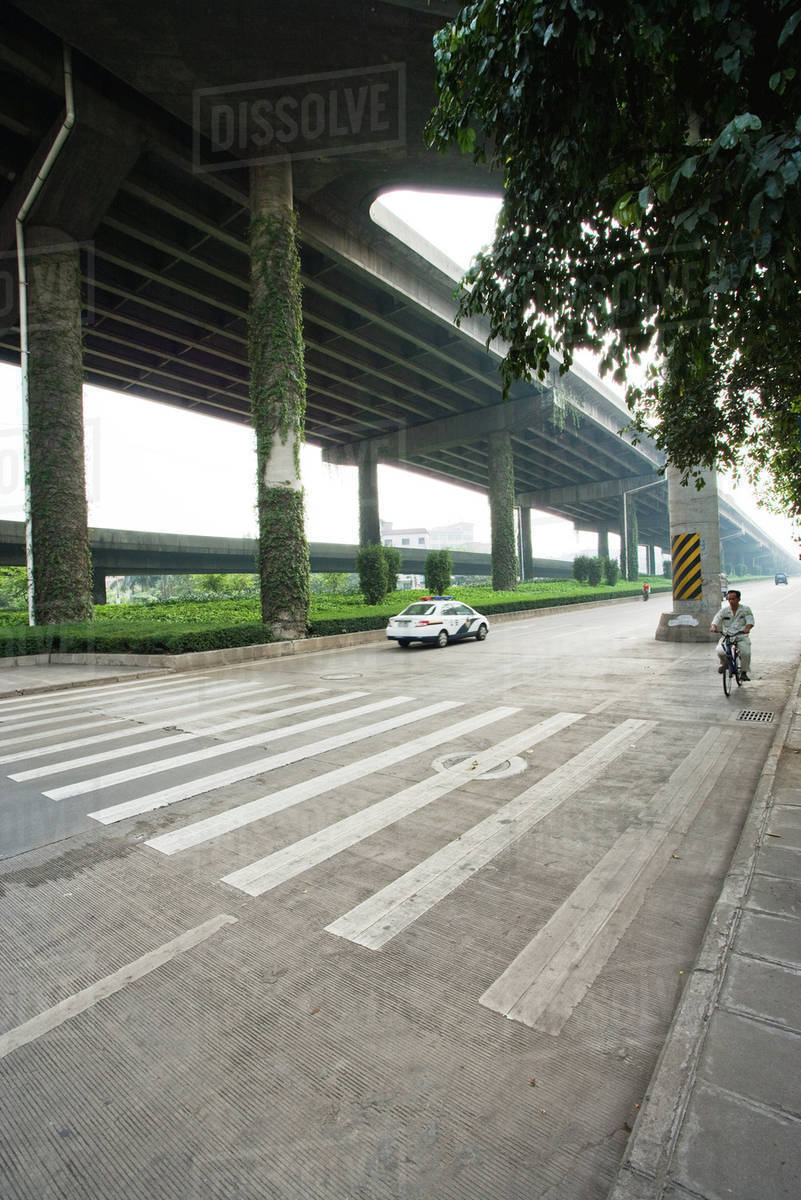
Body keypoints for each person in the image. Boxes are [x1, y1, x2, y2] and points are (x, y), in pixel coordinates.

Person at [710, 589, 755, 681]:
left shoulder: (745, 610)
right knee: (720, 650)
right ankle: (724, 664)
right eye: (729, 599)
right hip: (727, 636)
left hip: (741, 636)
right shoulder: (724, 611)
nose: (731, 601)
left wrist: (747, 628)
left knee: (746, 652)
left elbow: (750, 620)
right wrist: (714, 626)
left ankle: (744, 672)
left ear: (739, 599)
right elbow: (716, 618)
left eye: (733, 599)